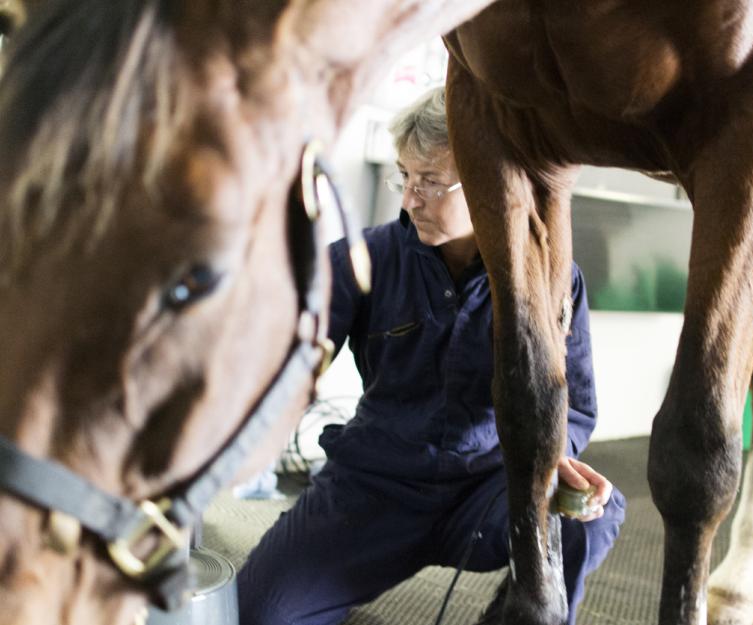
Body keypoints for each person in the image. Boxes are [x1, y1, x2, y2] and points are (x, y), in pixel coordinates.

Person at [237, 86, 625, 625]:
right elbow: (283, 350)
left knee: (589, 517)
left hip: (490, 490)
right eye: (405, 177)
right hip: (376, 484)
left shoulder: (553, 280)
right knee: (259, 613)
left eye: (431, 182)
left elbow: (575, 409)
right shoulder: (363, 258)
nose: (409, 199)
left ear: (491, 181)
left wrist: (555, 457)